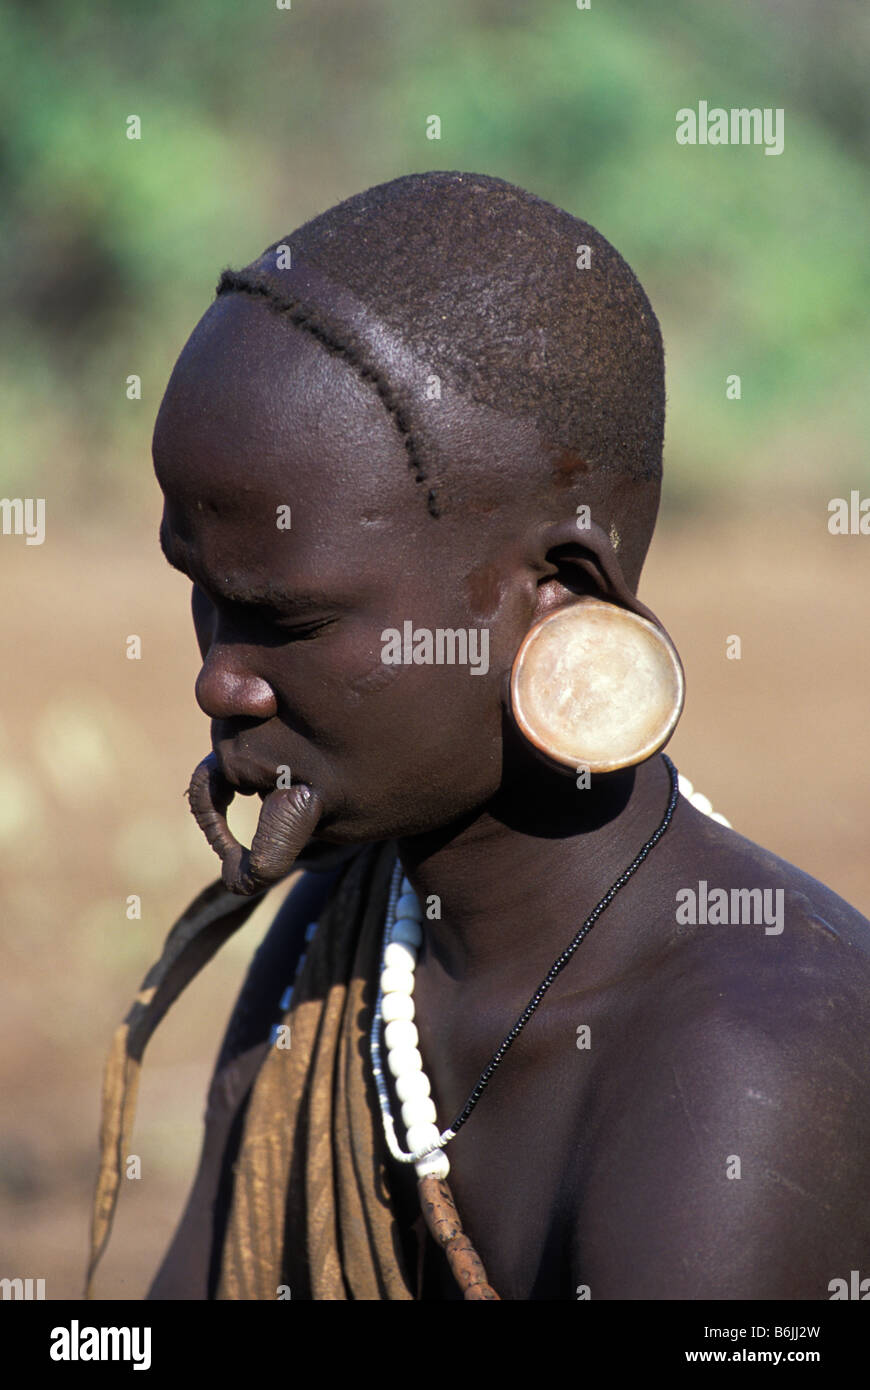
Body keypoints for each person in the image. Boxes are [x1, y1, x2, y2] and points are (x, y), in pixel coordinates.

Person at [89, 171, 870, 1301]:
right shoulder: (342, 945)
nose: (218, 675)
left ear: (556, 595)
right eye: (200, 590)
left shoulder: (753, 1073)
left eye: (287, 617)